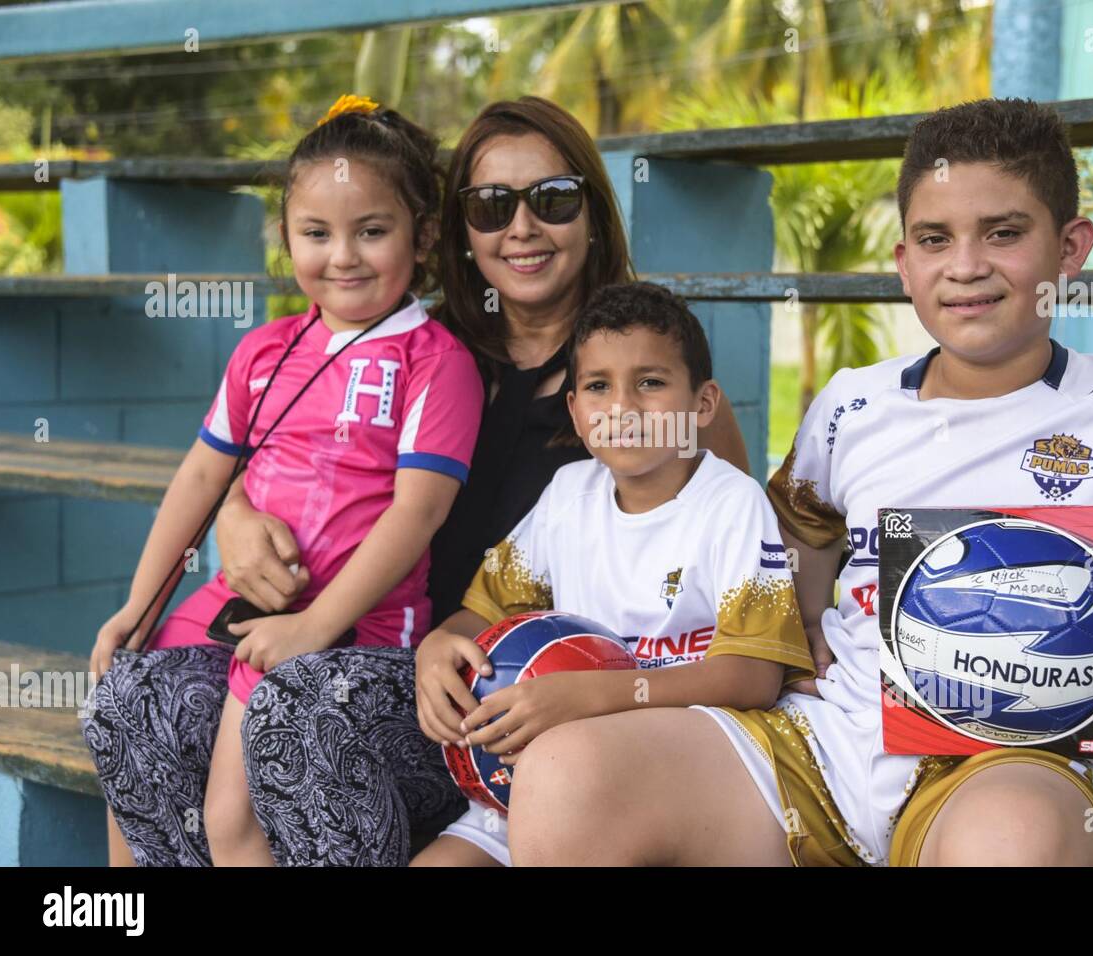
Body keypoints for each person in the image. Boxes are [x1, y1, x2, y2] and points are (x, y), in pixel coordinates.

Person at [504, 97, 1093, 867]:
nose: (967, 266)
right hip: (820, 749)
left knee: (1008, 844)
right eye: (934, 238)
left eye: (1005, 233)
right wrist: (797, 623)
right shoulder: (854, 403)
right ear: (905, 264)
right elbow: (795, 537)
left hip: (1018, 766)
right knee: (570, 774)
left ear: (1070, 248)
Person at [224, 97, 751, 865]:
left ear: (595, 214)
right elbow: (266, 452)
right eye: (491, 206)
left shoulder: (642, 381)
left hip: (565, 707)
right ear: (461, 232)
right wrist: (233, 514)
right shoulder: (419, 350)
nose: (522, 228)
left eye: (554, 200)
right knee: (158, 705)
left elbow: (740, 539)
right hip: (411, 665)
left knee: (299, 709)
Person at [81, 94, 483, 866]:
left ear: (423, 237)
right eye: (316, 233)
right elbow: (204, 474)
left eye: (372, 231)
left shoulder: (436, 361)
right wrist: (141, 603)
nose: (343, 257)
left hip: (356, 634)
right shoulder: (265, 352)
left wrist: (314, 625)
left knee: (235, 823)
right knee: (124, 706)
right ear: (286, 237)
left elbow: (417, 513)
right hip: (245, 616)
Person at [410, 281, 814, 866]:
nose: (623, 408)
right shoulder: (569, 493)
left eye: (650, 383)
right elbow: (485, 611)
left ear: (702, 405)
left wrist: (595, 695)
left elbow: (753, 677)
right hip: (540, 766)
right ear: (574, 410)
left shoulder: (730, 502)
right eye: (598, 387)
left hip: (679, 768)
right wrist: (438, 645)